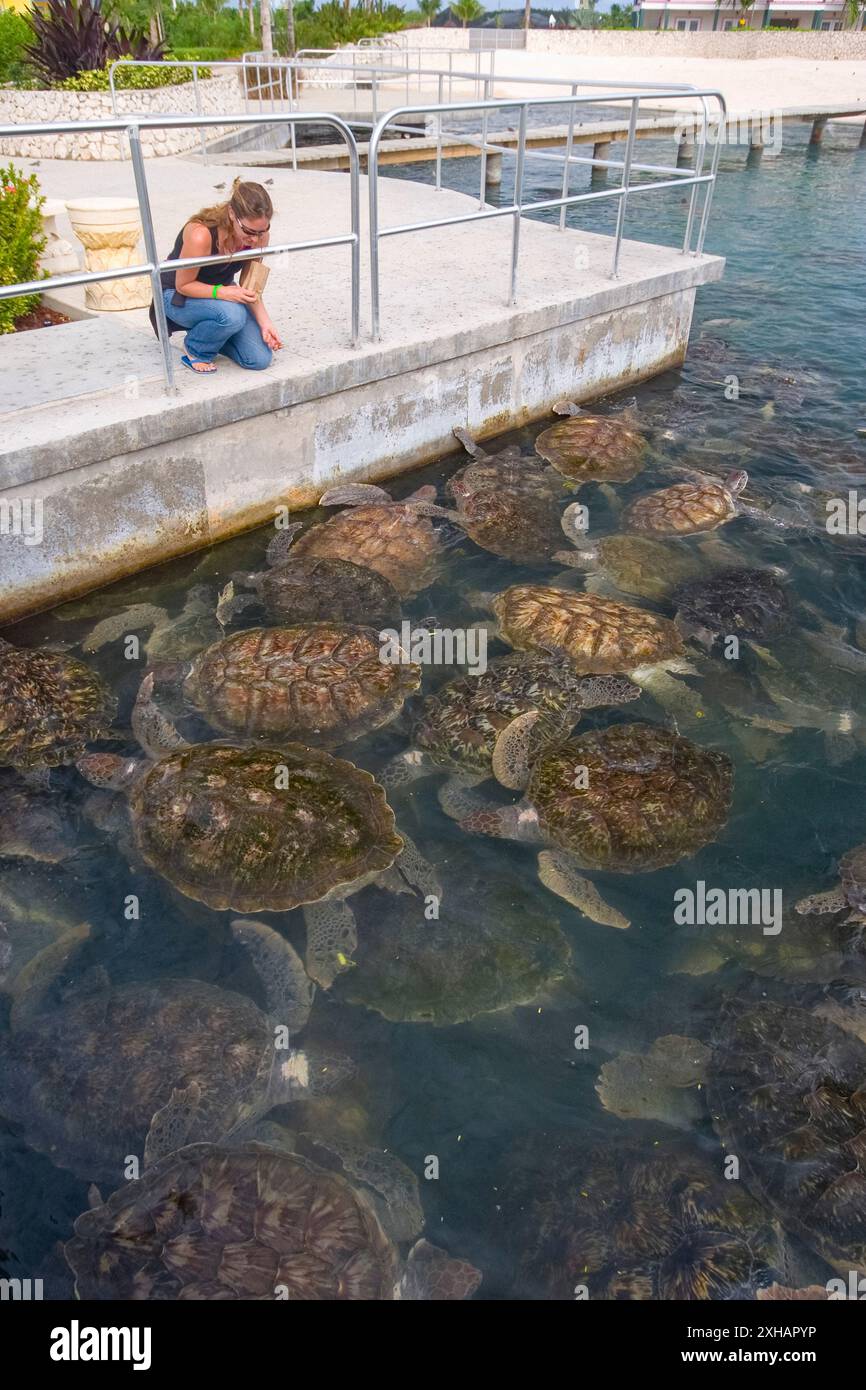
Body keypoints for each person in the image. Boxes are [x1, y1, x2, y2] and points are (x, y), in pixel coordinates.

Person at [148, 177, 282, 375]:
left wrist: (266, 323)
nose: (255, 239)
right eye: (248, 231)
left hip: (220, 297)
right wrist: (224, 293)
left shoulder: (260, 237)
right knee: (233, 315)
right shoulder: (201, 234)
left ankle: (213, 332)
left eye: (262, 231)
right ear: (232, 213)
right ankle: (195, 348)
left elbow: (250, 286)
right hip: (175, 294)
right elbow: (183, 284)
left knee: (259, 359)